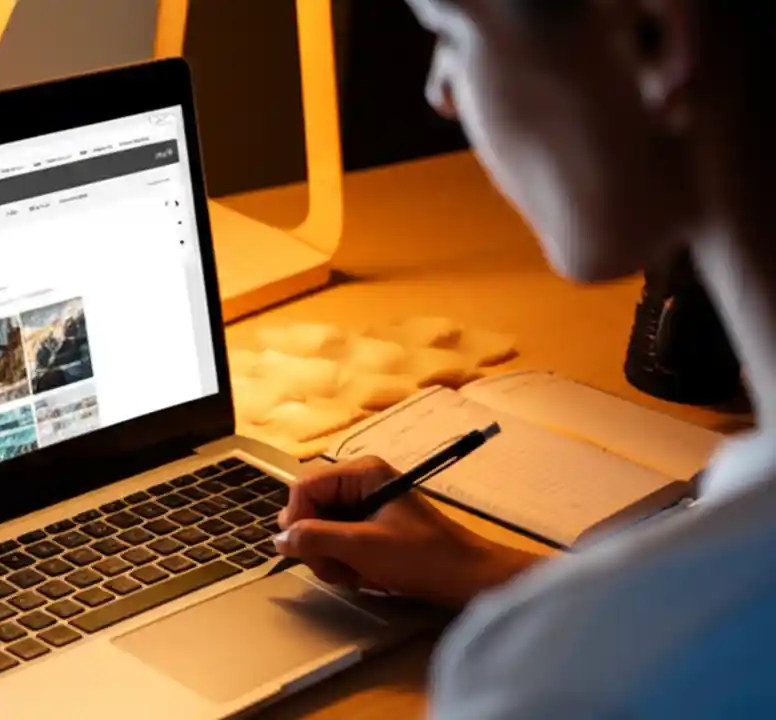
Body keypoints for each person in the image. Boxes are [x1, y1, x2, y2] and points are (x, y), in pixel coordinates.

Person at [272, 0, 776, 716]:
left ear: (655, 39)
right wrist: (480, 569)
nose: (440, 93)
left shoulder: (543, 685)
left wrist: (547, 630)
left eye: (451, 34)